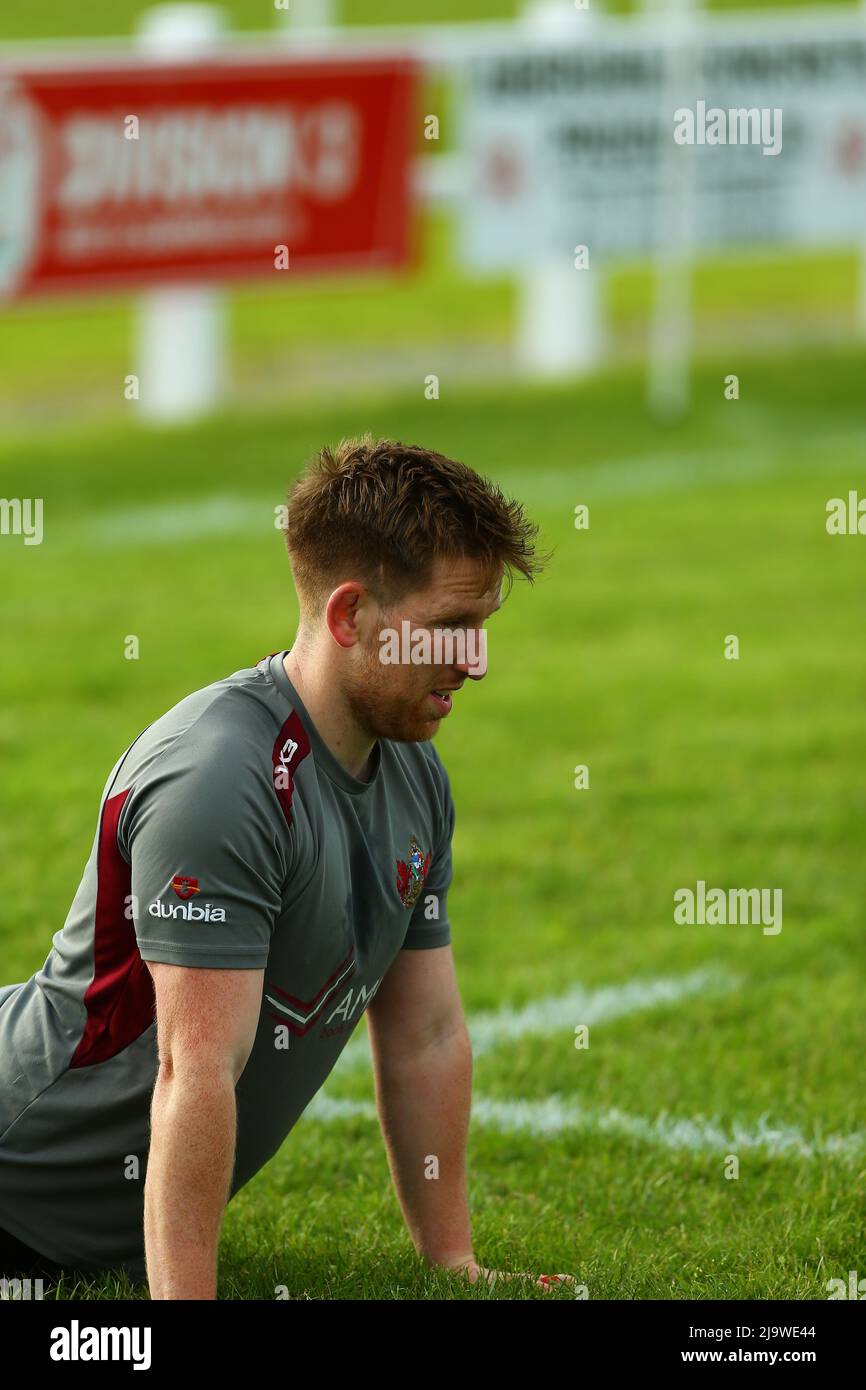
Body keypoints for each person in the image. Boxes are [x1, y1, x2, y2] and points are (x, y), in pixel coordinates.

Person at [0, 436, 569, 1299]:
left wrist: (454, 1266)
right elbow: (197, 1071)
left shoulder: (415, 769)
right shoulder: (219, 779)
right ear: (349, 617)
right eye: (452, 626)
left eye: (484, 626)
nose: (476, 660)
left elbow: (427, 1035)